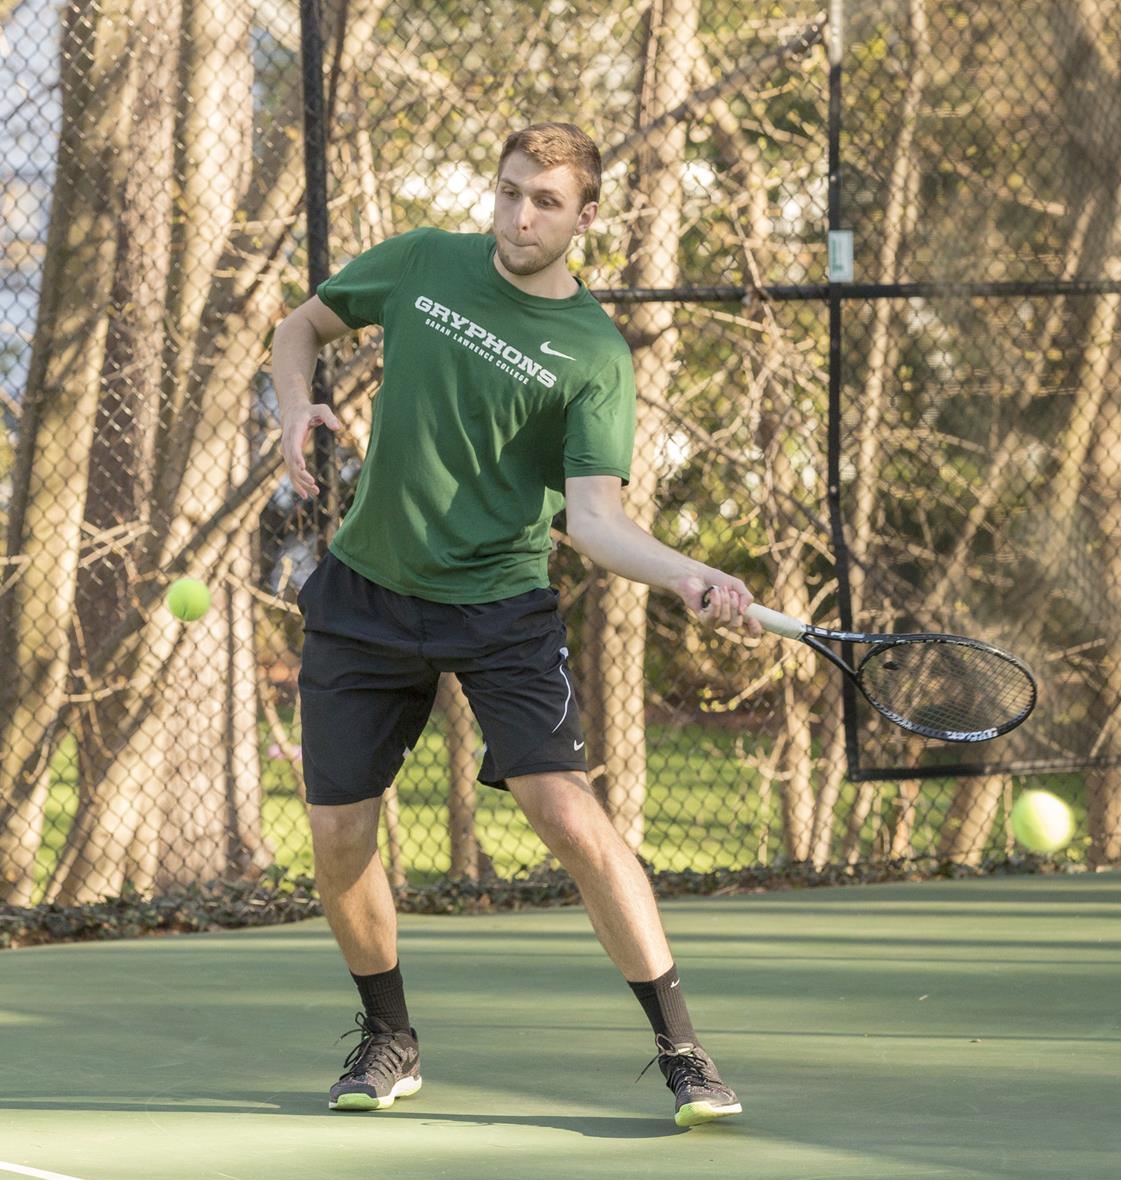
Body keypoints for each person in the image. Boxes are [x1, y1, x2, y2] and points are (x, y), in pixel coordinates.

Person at [267, 122, 758, 1128]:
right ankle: (389, 1037)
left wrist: (687, 574)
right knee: (337, 831)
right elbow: (297, 328)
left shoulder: (594, 354)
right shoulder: (420, 262)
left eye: (544, 201)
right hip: (366, 592)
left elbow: (594, 520)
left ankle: (683, 1050)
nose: (520, 216)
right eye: (508, 192)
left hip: (498, 605)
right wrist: (293, 409)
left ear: (585, 217)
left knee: (567, 817)